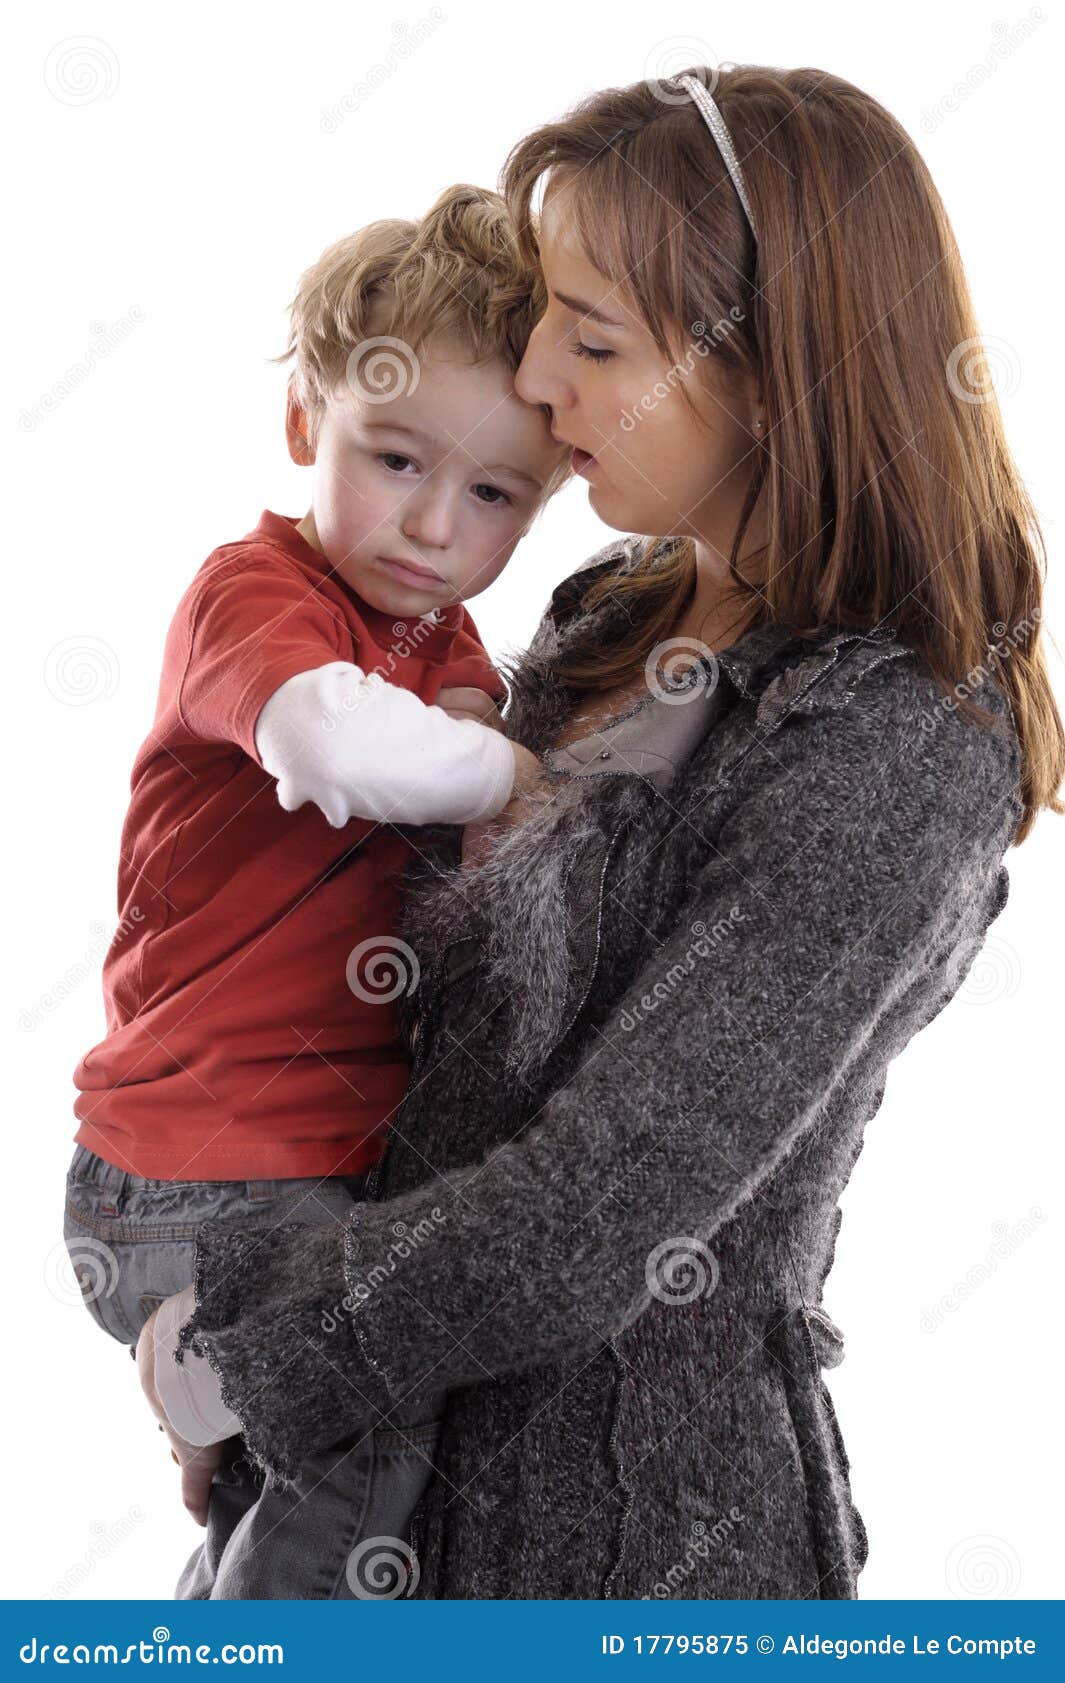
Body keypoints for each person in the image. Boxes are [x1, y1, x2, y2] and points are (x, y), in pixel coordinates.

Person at [138, 64, 1063, 1600]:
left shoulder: (899, 736)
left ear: (767, 369)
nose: (534, 375)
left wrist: (247, 1364)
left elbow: (606, 1202)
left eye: (589, 335)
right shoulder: (604, 612)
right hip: (351, 1484)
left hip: (625, 1552)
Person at [63, 182, 569, 1596]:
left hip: (306, 1172)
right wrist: (510, 778)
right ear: (307, 423)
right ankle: (210, 1387)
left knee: (284, 1496)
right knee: (363, 1422)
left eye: (492, 496)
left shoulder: (444, 634)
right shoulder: (255, 595)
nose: (430, 526)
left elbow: (480, 784)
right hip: (191, 1168)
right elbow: (331, 742)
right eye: (394, 458)